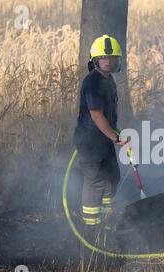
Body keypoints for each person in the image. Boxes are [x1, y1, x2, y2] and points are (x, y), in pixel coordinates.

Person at [73, 34, 129, 227]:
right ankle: (91, 227)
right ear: (95, 60)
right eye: (104, 58)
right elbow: (97, 116)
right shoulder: (92, 82)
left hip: (104, 141)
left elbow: (108, 114)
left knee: (112, 177)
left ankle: (107, 222)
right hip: (90, 142)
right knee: (95, 181)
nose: (108, 61)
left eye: (112, 57)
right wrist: (115, 137)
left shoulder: (109, 80)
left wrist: (114, 134)